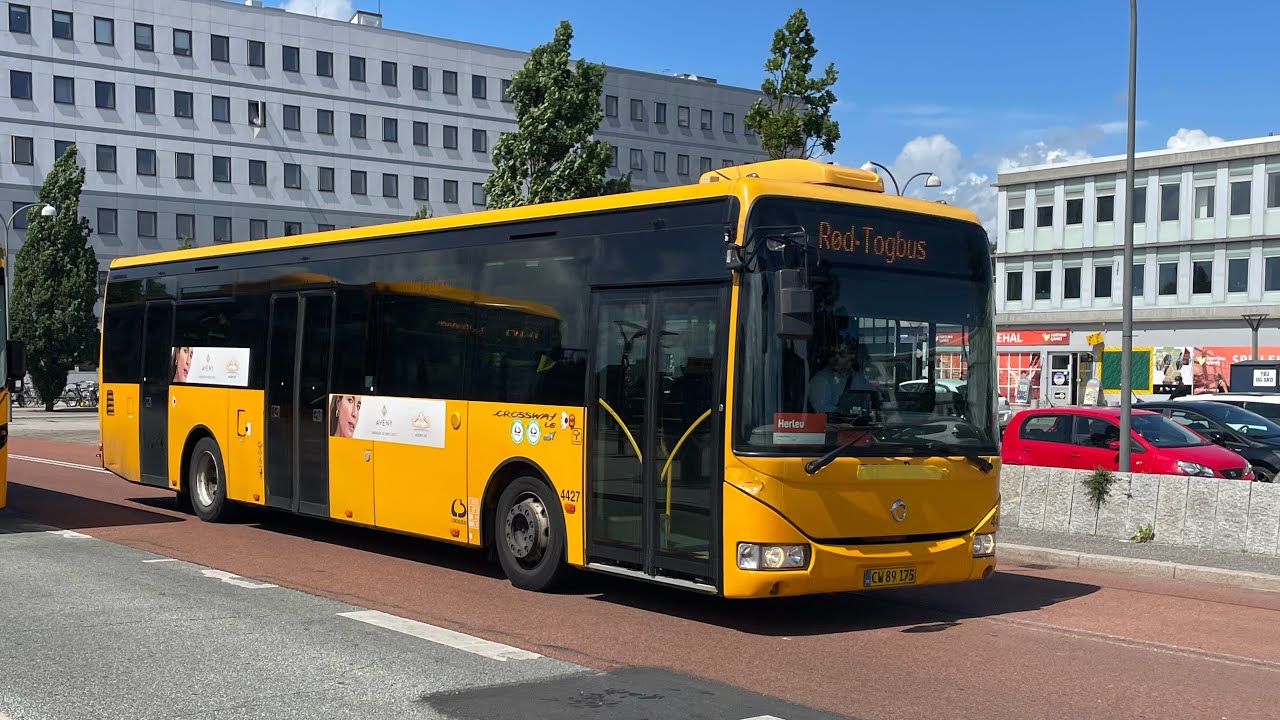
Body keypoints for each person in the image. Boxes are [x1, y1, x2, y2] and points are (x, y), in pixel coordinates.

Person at [808, 338, 877, 414]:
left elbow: (875, 399)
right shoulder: (820, 380)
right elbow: (821, 410)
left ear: (852, 357)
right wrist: (848, 412)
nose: (836, 358)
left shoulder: (859, 378)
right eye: (832, 354)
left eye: (841, 354)